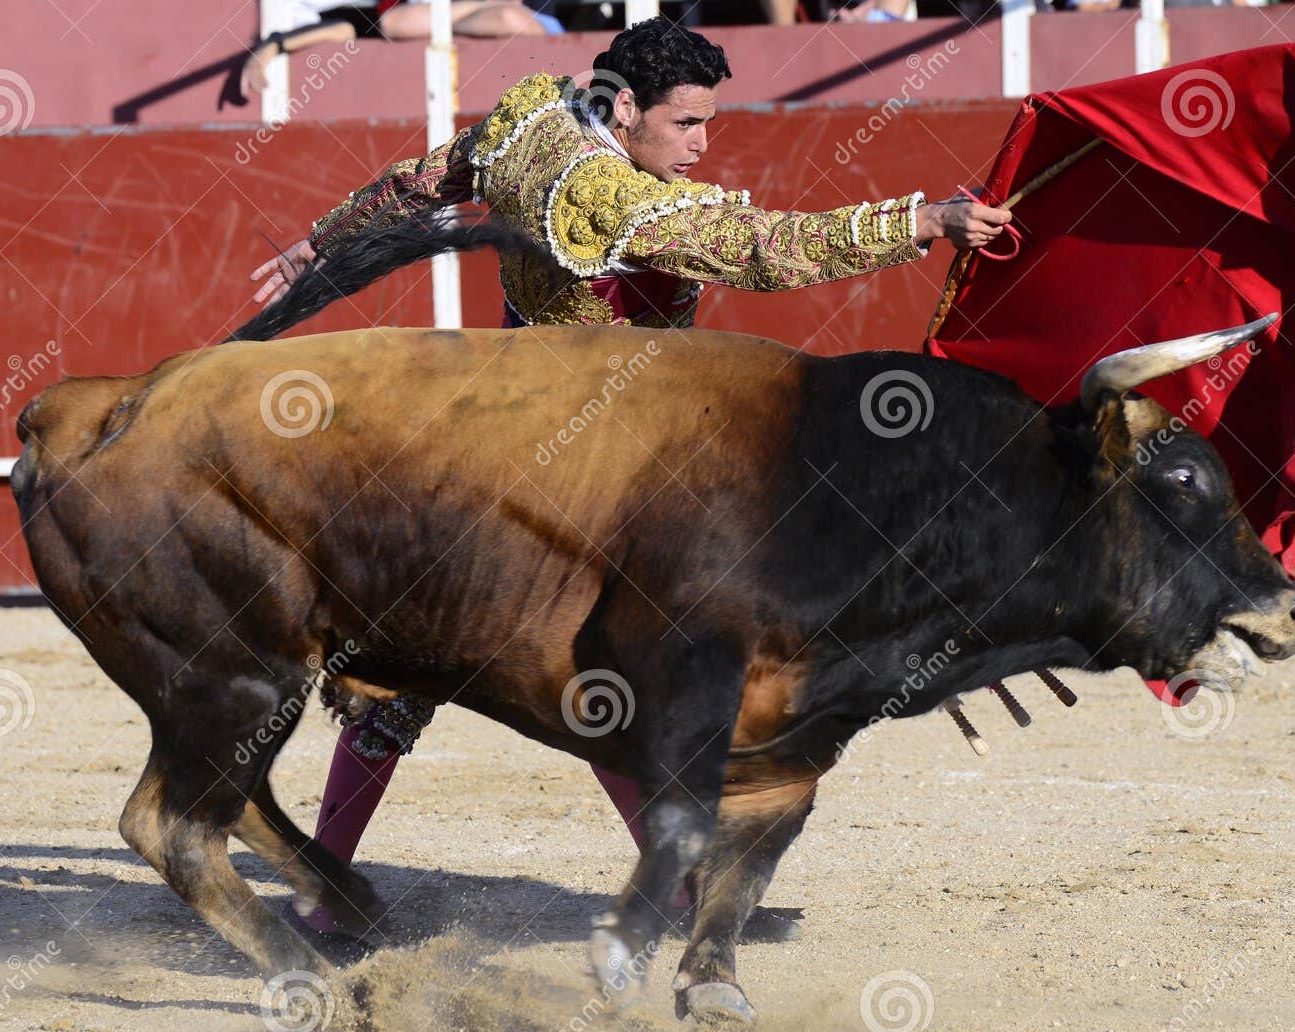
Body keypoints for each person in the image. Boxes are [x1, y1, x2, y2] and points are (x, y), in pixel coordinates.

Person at [247, 17, 1010, 939]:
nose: (700, 145)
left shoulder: (532, 111)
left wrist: (322, 244)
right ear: (622, 106)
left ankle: (335, 894)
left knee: (495, 671)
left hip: (519, 436)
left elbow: (423, 181)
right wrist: (923, 219)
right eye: (686, 124)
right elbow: (764, 247)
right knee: (580, 666)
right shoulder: (609, 192)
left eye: (707, 123)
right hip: (579, 469)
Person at [242, 1, 563, 96]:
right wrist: (271, 48)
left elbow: (511, 17)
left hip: (533, 19)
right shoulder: (404, 12)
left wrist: (436, 19)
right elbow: (357, 26)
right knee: (401, 21)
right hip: (439, 16)